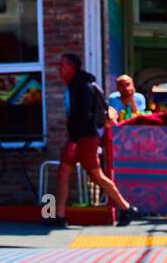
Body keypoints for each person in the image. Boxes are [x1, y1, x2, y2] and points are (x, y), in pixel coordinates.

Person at [54, 53, 140, 228]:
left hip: (85, 138)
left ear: (71, 67)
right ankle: (58, 215)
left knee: (96, 175)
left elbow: (83, 116)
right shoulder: (74, 85)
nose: (59, 69)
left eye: (62, 65)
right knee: (64, 172)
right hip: (79, 137)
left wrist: (73, 141)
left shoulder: (82, 87)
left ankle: (126, 207)